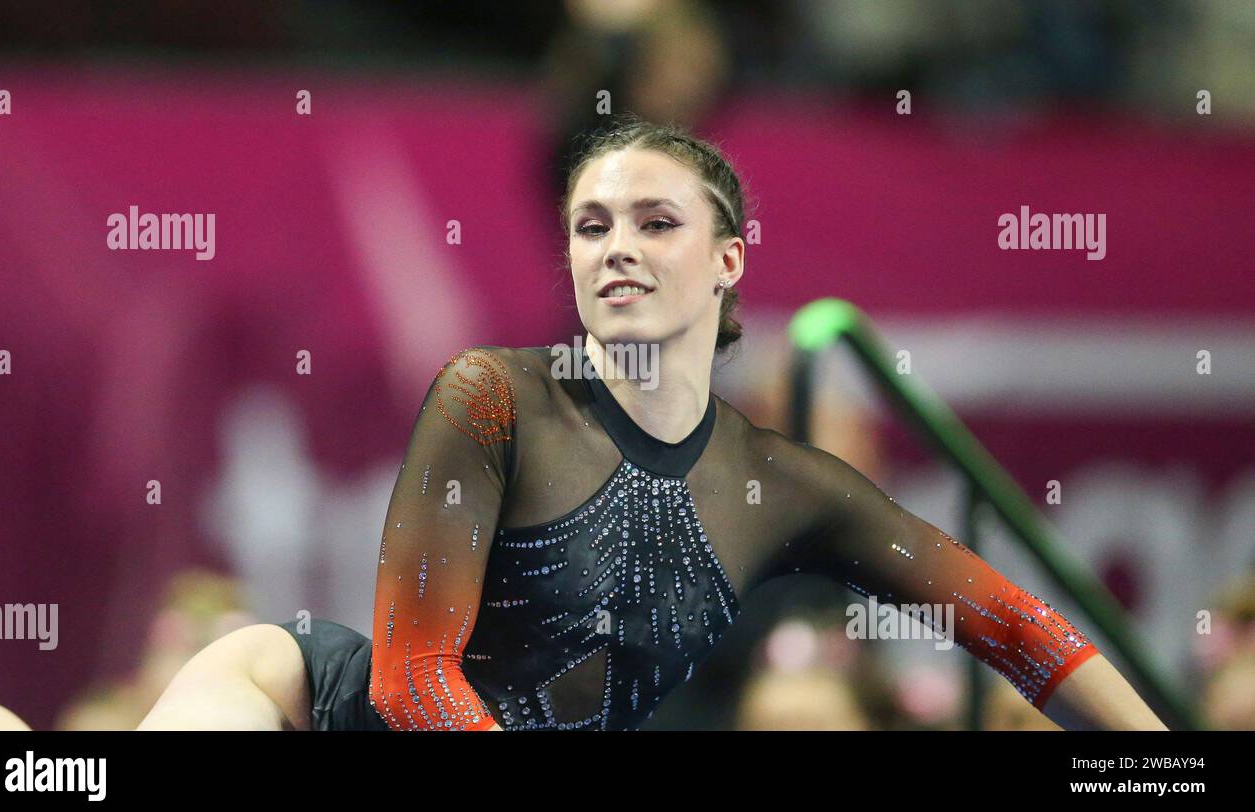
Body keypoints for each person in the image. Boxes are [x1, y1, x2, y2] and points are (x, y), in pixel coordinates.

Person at [133, 115, 1164, 731]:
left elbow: (1019, 630)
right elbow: (409, 684)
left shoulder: (786, 486)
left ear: (728, 261)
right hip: (289, 703)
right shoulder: (493, 398)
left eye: (656, 222)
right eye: (591, 225)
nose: (615, 246)